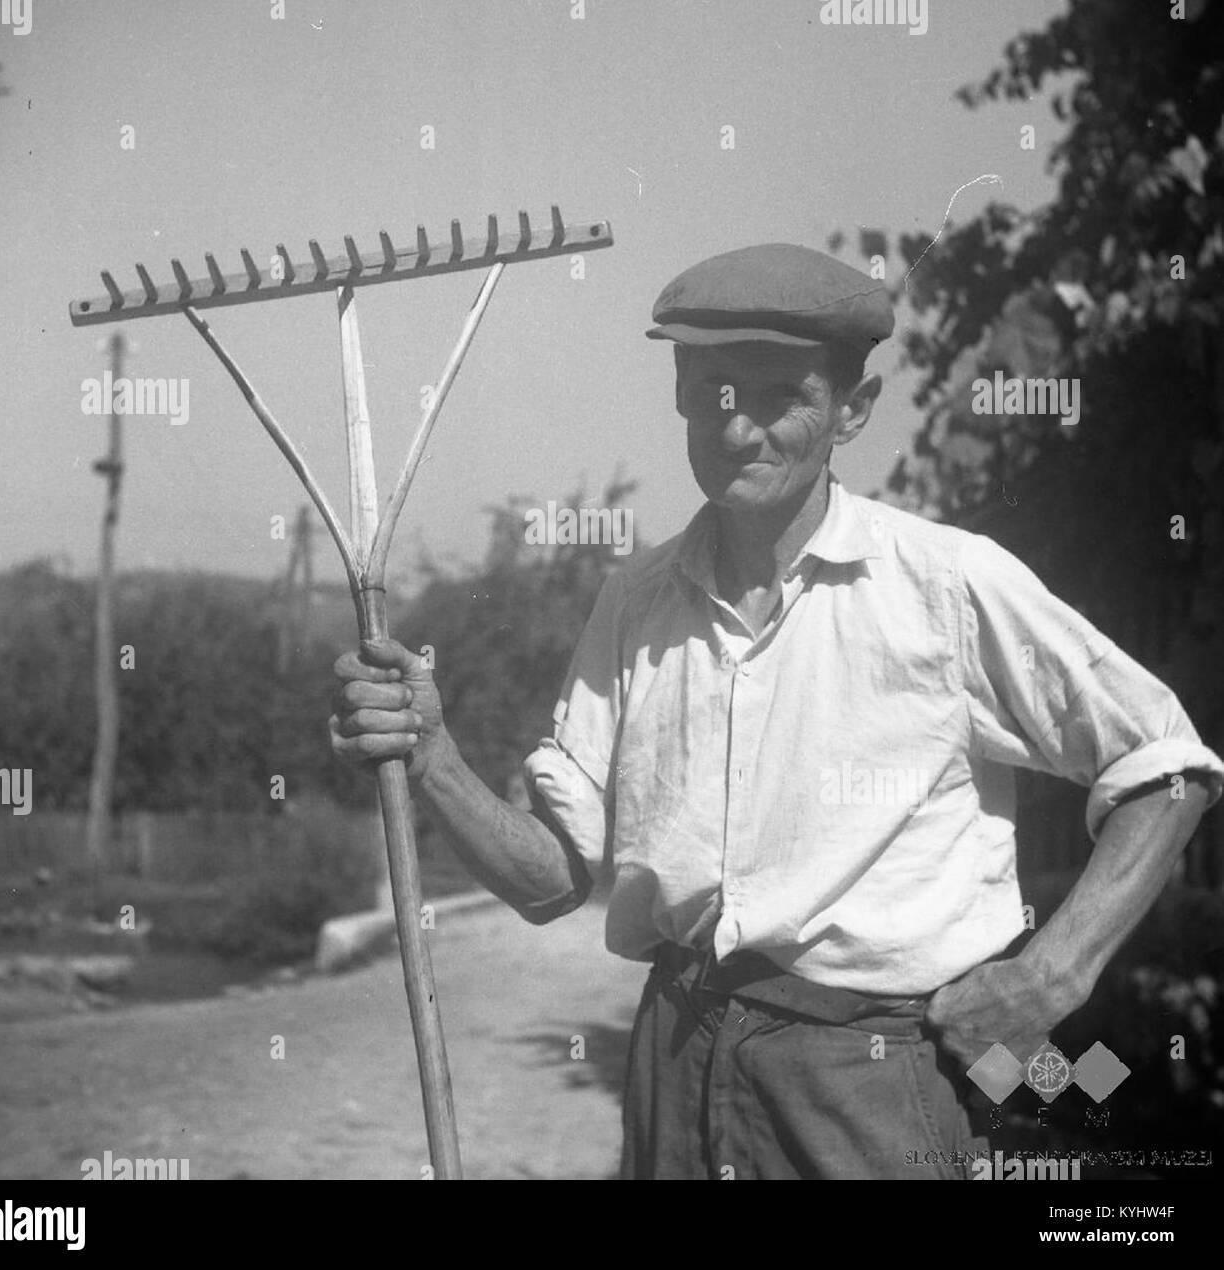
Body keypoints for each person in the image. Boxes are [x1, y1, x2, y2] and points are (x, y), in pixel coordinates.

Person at [330, 243, 1223, 1180]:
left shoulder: (945, 583)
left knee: (1119, 1184)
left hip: (871, 1080)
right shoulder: (634, 601)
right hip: (674, 1059)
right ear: (679, 393)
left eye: (780, 396)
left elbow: (1164, 768)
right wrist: (433, 758)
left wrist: (1053, 974)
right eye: (713, 389)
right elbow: (551, 879)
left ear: (853, 410)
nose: (739, 429)